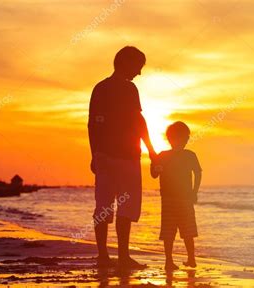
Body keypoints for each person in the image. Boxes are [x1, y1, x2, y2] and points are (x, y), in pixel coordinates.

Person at [88, 46, 156, 269]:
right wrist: (152, 152)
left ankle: (107, 256)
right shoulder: (125, 89)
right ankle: (117, 256)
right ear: (125, 62)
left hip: (115, 156)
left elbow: (93, 124)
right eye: (138, 66)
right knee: (116, 206)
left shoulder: (101, 88)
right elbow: (138, 122)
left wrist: (95, 154)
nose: (139, 73)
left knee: (106, 206)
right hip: (121, 157)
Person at [150, 121, 202, 271]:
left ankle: (178, 260)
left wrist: (194, 192)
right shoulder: (169, 156)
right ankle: (184, 259)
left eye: (185, 138)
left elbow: (198, 173)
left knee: (174, 230)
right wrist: (194, 192)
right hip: (176, 198)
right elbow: (154, 174)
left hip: (174, 199)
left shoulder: (184, 155)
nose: (184, 141)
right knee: (184, 230)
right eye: (183, 138)